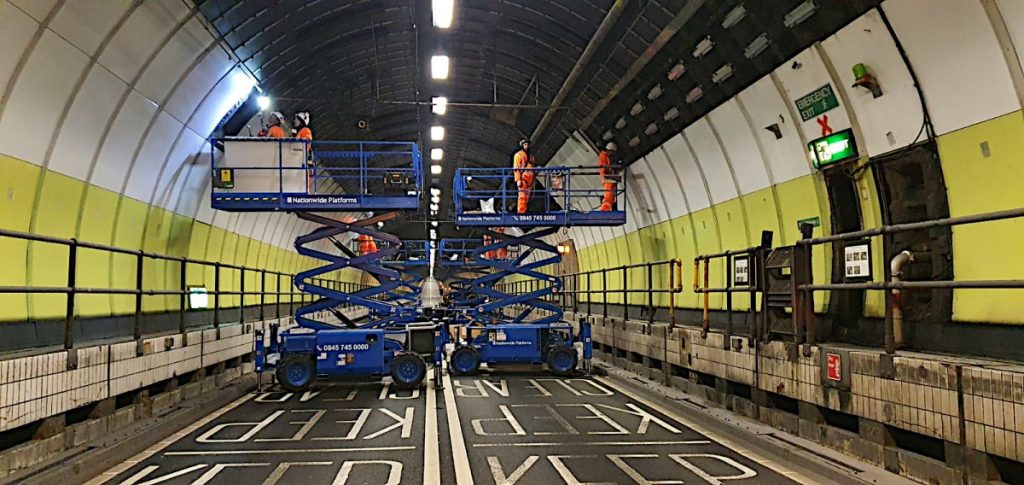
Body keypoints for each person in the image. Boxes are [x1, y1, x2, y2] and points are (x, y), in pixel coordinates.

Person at [293, 111, 315, 191]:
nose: (294, 121)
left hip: (303, 158)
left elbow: (307, 141)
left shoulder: (306, 130)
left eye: (296, 119)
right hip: (300, 158)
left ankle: (305, 190)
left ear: (301, 121)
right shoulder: (300, 131)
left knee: (304, 176)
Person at [513, 139, 535, 213]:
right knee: (522, 196)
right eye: (525, 145)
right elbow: (516, 168)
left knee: (527, 198)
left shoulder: (531, 156)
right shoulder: (518, 155)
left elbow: (532, 168)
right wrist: (518, 179)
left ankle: (524, 211)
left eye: (527, 145)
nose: (526, 146)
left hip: (530, 180)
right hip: (523, 179)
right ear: (522, 146)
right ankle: (521, 213)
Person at [598, 142, 619, 211]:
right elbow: (603, 168)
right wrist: (610, 174)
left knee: (611, 195)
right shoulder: (603, 156)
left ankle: (607, 208)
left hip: (607, 177)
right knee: (608, 195)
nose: (612, 154)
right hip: (606, 178)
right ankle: (604, 209)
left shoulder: (606, 156)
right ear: (610, 150)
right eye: (612, 152)